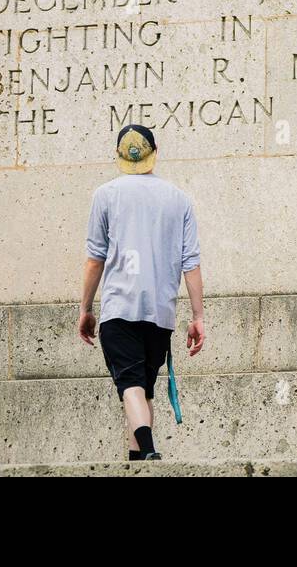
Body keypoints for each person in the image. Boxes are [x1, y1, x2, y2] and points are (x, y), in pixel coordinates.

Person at [78, 124, 204, 460]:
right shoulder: (179, 199)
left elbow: (95, 259)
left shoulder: (106, 194)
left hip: (121, 307)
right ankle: (140, 462)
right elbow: (190, 262)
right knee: (144, 390)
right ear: (155, 153)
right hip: (160, 313)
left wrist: (85, 309)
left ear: (118, 156)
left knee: (130, 385)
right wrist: (198, 316)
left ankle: (148, 450)